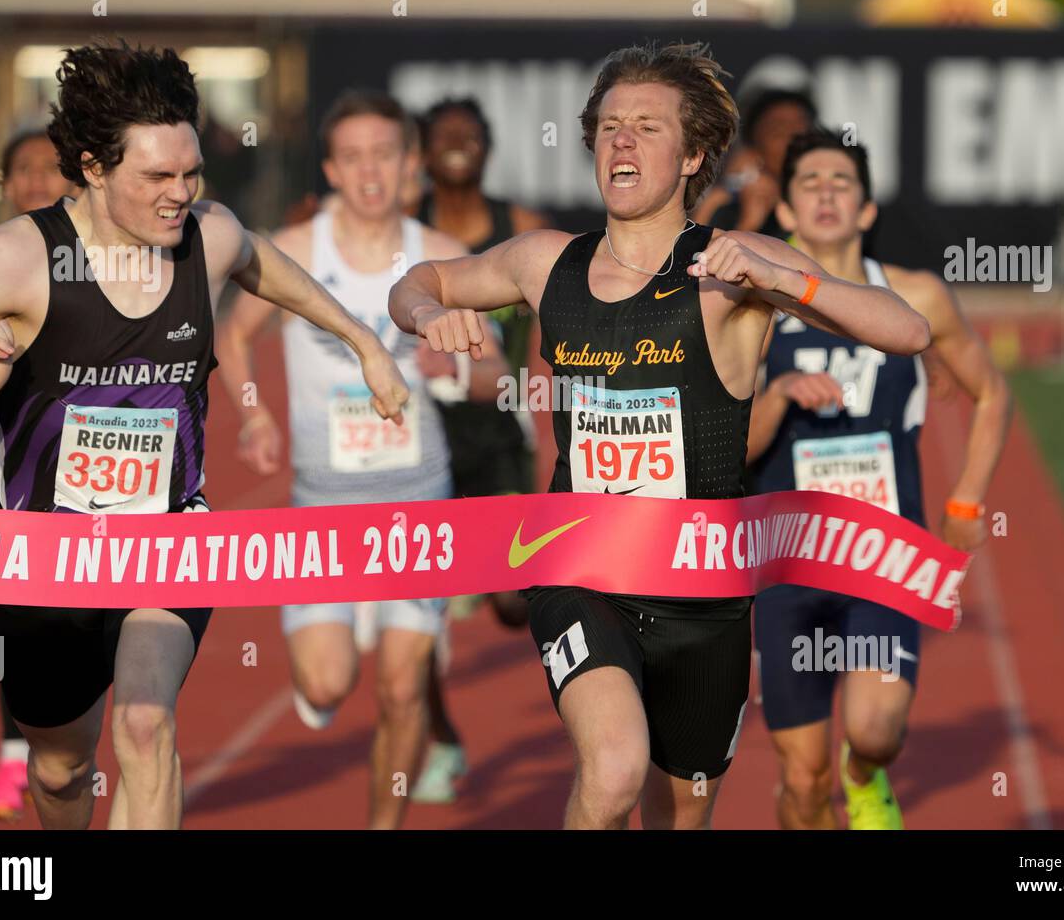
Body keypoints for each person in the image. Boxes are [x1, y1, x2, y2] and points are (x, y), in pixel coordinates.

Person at [389, 41, 930, 829]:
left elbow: (908, 332)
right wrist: (430, 314)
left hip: (701, 592)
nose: (621, 142)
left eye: (646, 126)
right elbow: (421, 280)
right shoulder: (547, 264)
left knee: (678, 815)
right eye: (609, 126)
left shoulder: (731, 272)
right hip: (579, 567)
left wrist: (785, 279)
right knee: (610, 771)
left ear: (693, 155)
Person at [0, 42, 408, 829]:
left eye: (191, 173)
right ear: (93, 169)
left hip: (167, 542)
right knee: (62, 767)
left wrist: (365, 342)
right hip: (44, 565)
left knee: (144, 723)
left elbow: (266, 265)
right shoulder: (13, 262)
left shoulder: (208, 240)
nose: (180, 196)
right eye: (156, 178)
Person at [214, 90, 506, 829]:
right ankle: (326, 672)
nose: (370, 170)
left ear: (408, 163)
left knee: (405, 689)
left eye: (384, 153)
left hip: (417, 501)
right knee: (326, 680)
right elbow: (234, 335)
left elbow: (496, 376)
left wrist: (460, 374)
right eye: (353, 157)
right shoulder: (297, 250)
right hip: (323, 502)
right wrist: (252, 411)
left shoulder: (440, 255)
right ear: (331, 169)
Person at [747, 127, 1012, 829]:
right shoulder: (755, 309)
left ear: (866, 210)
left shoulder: (915, 293)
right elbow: (730, 448)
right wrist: (776, 396)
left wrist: (965, 499)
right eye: (810, 182)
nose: (827, 194)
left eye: (843, 182)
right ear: (785, 212)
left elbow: (990, 393)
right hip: (788, 561)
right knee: (801, 782)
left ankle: (864, 776)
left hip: (883, 554)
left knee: (874, 731)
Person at [411, 96, 553, 803]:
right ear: (424, 153)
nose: (459, 145)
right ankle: (440, 738)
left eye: (471, 134)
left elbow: (558, 321)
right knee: (415, 621)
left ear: (488, 147)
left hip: (498, 434)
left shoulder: (517, 230)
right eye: (445, 137)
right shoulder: (407, 233)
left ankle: (478, 576)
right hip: (420, 442)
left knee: (514, 603)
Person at [0, 127, 77, 821]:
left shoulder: (103, 258)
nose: (38, 179)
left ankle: (98, 742)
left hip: (98, 474)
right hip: (9, 471)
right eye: (24, 169)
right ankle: (19, 752)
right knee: (16, 614)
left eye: (51, 168)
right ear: (4, 184)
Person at [692, 89, 816, 240]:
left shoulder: (835, 199)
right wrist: (748, 225)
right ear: (753, 148)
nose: (793, 139)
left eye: (801, 128)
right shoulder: (729, 209)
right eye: (779, 130)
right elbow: (694, 258)